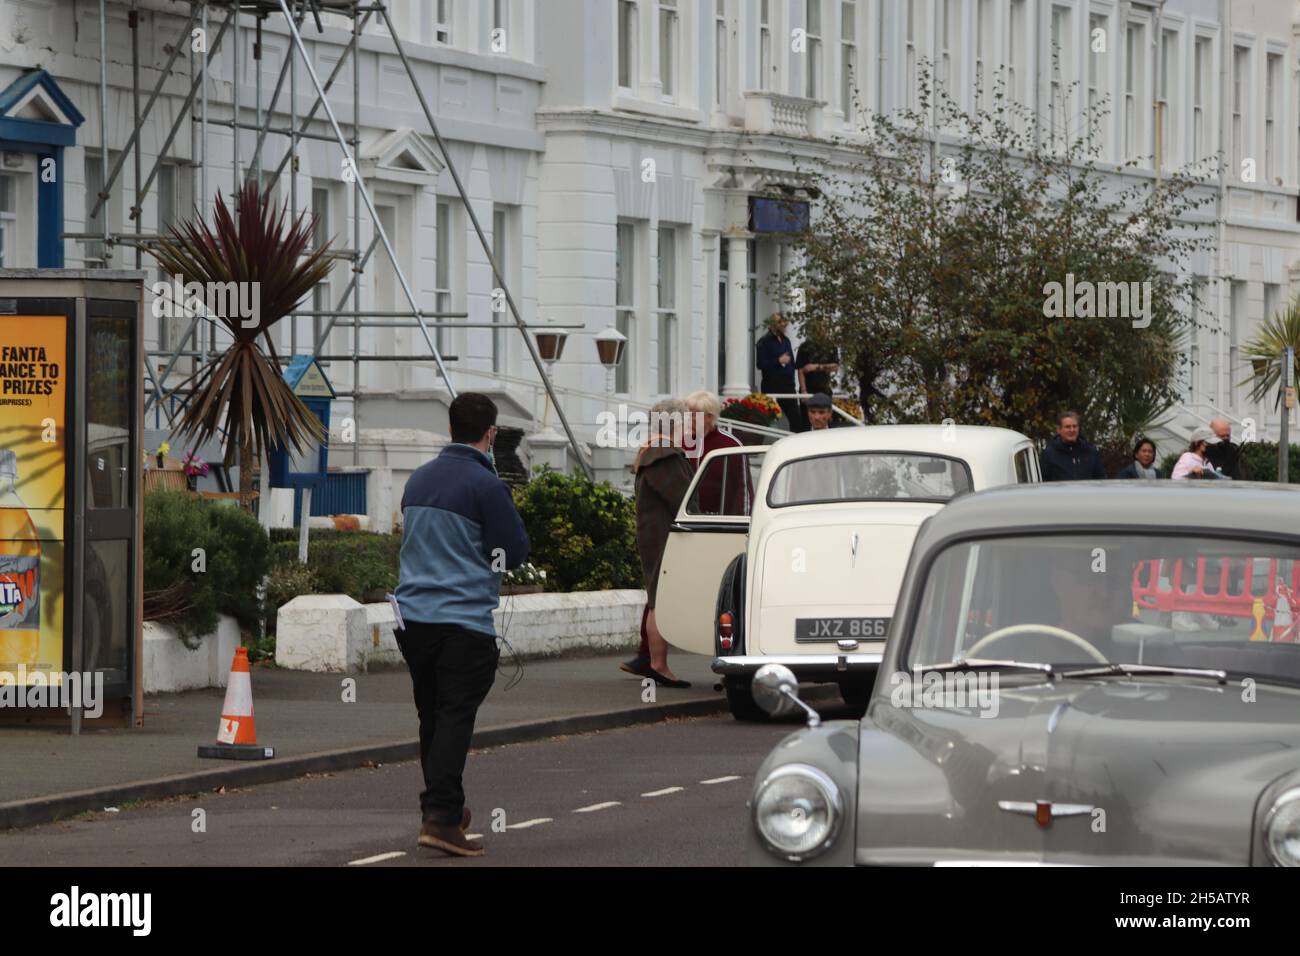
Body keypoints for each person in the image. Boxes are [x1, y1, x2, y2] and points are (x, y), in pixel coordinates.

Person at [393, 392, 529, 858]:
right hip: (463, 622)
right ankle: (441, 817)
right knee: (454, 716)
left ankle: (443, 809)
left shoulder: (418, 480)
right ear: (490, 434)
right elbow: (512, 553)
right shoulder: (486, 486)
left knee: (432, 716)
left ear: (450, 428)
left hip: (413, 620)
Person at [632, 398, 695, 688]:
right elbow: (683, 500)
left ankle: (657, 663)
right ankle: (658, 665)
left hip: (656, 532)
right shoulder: (664, 454)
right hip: (663, 536)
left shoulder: (653, 450)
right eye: (685, 421)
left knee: (658, 597)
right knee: (659, 599)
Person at [684, 389, 751, 514]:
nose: (688, 419)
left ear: (709, 417)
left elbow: (743, 488)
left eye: (694, 415)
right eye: (687, 414)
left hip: (719, 522)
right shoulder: (681, 443)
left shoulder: (731, 445)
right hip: (686, 521)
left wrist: (742, 523)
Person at [755, 313, 804, 433]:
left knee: (796, 418)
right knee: (770, 419)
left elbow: (791, 361)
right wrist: (778, 361)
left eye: (784, 323)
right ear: (772, 325)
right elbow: (760, 364)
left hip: (788, 385)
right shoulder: (764, 341)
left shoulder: (786, 340)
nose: (783, 325)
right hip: (772, 385)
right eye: (780, 323)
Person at [1039, 410, 1106, 481]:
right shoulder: (1049, 455)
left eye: (1074, 426)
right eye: (1067, 427)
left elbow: (1101, 480)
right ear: (1059, 430)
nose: (1072, 430)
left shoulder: (1091, 452)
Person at [796, 338, 840, 415]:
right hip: (808, 390)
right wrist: (803, 391)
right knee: (806, 420)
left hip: (824, 389)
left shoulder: (831, 346)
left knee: (824, 418)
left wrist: (817, 367)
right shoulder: (805, 346)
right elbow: (800, 370)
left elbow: (835, 366)